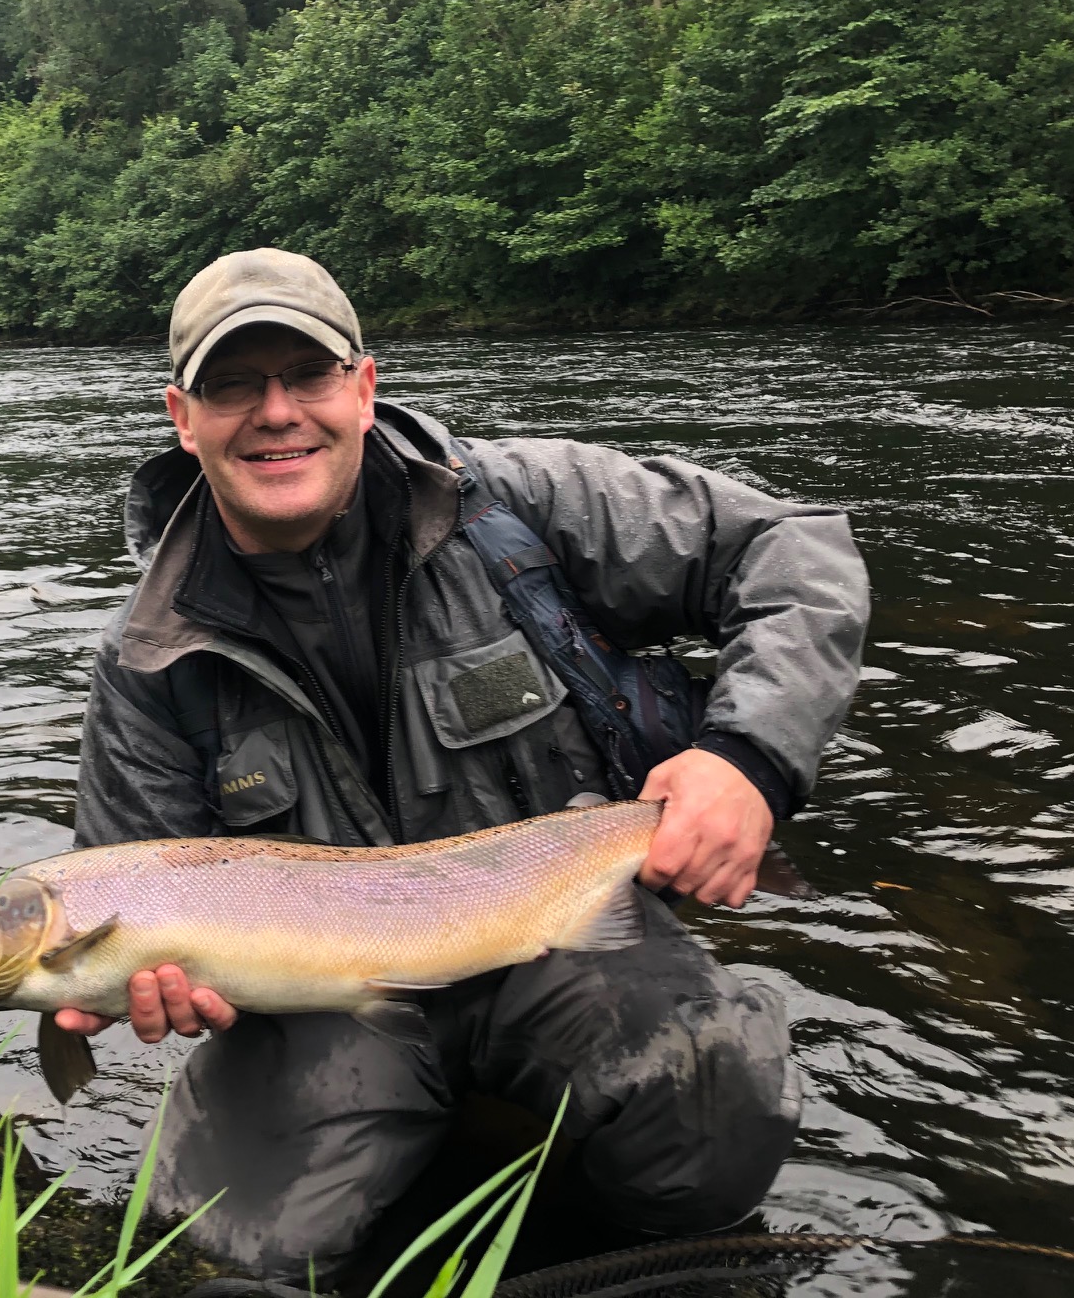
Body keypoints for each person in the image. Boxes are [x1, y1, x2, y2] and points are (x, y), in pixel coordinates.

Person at [60, 248, 869, 1281]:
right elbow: (128, 876)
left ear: (363, 389)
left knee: (712, 1119)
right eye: (233, 385)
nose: (276, 412)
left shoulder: (520, 505)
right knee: (224, 1252)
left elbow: (794, 551)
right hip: (326, 1008)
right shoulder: (149, 654)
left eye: (306, 377)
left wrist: (748, 759)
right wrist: (164, 989)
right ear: (183, 416)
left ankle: (568, 1208)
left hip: (551, 942)